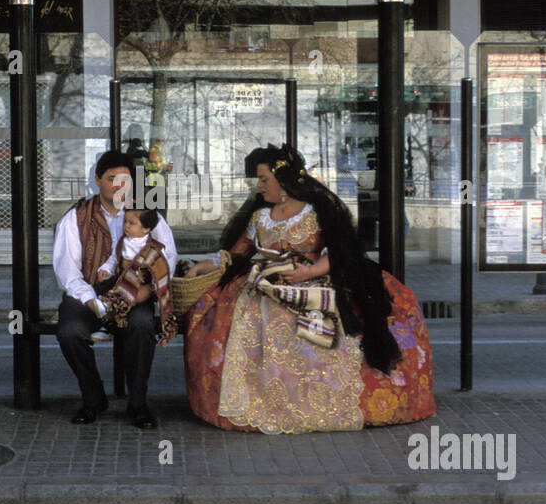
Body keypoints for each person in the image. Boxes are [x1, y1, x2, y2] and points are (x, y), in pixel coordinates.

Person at [182, 143, 434, 434]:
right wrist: (205, 265)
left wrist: (309, 272)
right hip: (266, 287)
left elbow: (341, 250)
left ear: (284, 182)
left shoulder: (316, 212)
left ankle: (323, 404)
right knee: (235, 319)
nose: (259, 186)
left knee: (321, 330)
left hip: (316, 283)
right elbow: (237, 253)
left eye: (264, 179)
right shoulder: (259, 217)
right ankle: (267, 403)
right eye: (259, 180)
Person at [53, 150, 177, 428]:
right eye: (112, 179)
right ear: (98, 180)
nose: (120, 185)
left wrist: (146, 292)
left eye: (126, 179)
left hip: (134, 292)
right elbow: (67, 272)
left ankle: (138, 404)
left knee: (143, 324)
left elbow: (167, 256)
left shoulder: (146, 213)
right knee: (69, 331)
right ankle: (93, 398)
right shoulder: (76, 217)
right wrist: (91, 300)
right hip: (88, 291)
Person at [93, 207, 178, 346]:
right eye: (125, 221)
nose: (126, 225)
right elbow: (114, 259)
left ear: (145, 229)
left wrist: (153, 287)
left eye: (131, 223)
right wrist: (105, 269)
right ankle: (107, 326)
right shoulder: (122, 242)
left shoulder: (154, 248)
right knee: (116, 296)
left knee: (131, 301)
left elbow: (162, 268)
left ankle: (108, 306)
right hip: (121, 281)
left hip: (141, 284)